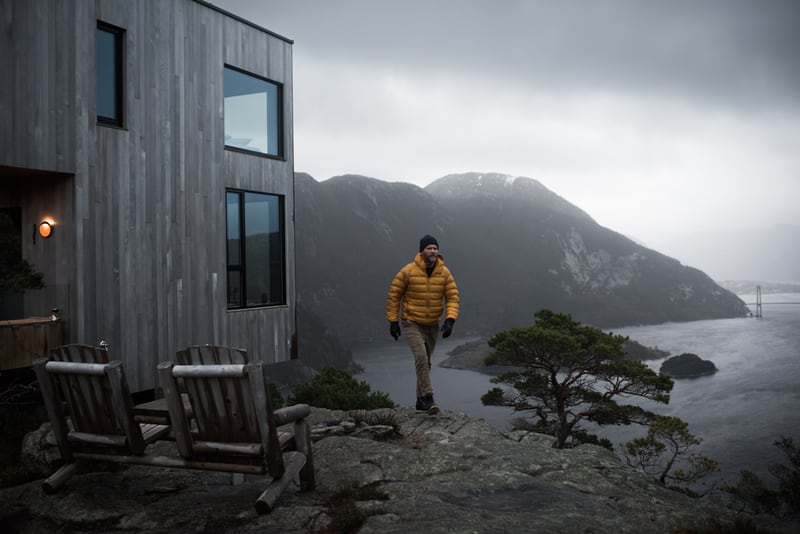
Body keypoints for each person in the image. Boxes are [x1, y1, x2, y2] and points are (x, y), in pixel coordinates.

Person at [386, 234, 460, 414]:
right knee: (421, 357)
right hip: (412, 322)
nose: (433, 251)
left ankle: (420, 401)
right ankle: (428, 397)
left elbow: (452, 297)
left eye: (435, 248)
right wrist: (393, 321)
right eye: (429, 248)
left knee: (426, 363)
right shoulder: (408, 271)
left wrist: (450, 320)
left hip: (432, 325)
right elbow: (394, 295)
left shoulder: (444, 273)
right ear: (422, 251)